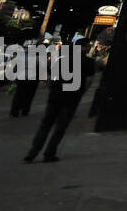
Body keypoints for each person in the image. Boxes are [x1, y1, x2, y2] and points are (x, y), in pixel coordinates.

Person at [24, 35, 97, 163]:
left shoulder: (62, 59)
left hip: (56, 95)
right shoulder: (89, 62)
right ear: (86, 47)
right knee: (60, 127)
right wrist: (81, 92)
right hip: (72, 98)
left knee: (45, 125)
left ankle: (33, 152)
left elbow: (48, 76)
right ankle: (49, 154)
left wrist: (52, 88)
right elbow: (89, 81)